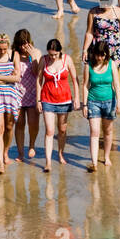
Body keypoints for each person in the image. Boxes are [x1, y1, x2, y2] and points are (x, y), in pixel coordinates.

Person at [35, 38, 80, 172]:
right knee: (49, 131)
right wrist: (38, 100)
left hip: (64, 100)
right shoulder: (44, 60)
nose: (53, 57)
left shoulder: (67, 59)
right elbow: (39, 80)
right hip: (47, 99)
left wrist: (77, 97)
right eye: (50, 54)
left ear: (60, 51)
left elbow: (75, 79)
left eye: (55, 54)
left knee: (62, 130)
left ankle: (60, 153)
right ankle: (48, 162)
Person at [83, 0, 120, 103]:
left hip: (116, 49)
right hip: (98, 49)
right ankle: (96, 99)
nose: (104, 5)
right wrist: (84, 50)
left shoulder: (119, 12)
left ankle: (116, 103)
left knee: (114, 76)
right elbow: (89, 33)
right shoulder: (93, 12)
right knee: (97, 74)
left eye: (107, 2)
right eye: (102, 2)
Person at [0, 33, 23, 174]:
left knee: (9, 126)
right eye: (0, 49)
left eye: (4, 49)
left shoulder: (14, 55)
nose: (2, 52)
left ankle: (6, 152)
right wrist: (8, 78)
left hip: (12, 95)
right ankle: (0, 163)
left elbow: (17, 77)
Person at [81, 40, 118, 172]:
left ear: (106, 55)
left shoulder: (111, 65)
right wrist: (84, 104)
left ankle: (106, 156)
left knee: (108, 131)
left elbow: (116, 85)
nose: (100, 58)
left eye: (102, 55)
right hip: (93, 101)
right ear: (94, 54)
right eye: (98, 55)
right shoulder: (88, 66)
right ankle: (94, 162)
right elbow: (85, 85)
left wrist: (118, 102)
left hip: (109, 101)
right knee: (94, 132)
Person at [11, 28, 41, 162]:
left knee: (33, 123)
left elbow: (37, 73)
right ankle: (20, 152)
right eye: (21, 44)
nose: (23, 47)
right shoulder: (13, 55)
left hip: (33, 93)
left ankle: (32, 145)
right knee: (20, 123)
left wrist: (33, 57)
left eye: (25, 43)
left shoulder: (36, 53)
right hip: (17, 93)